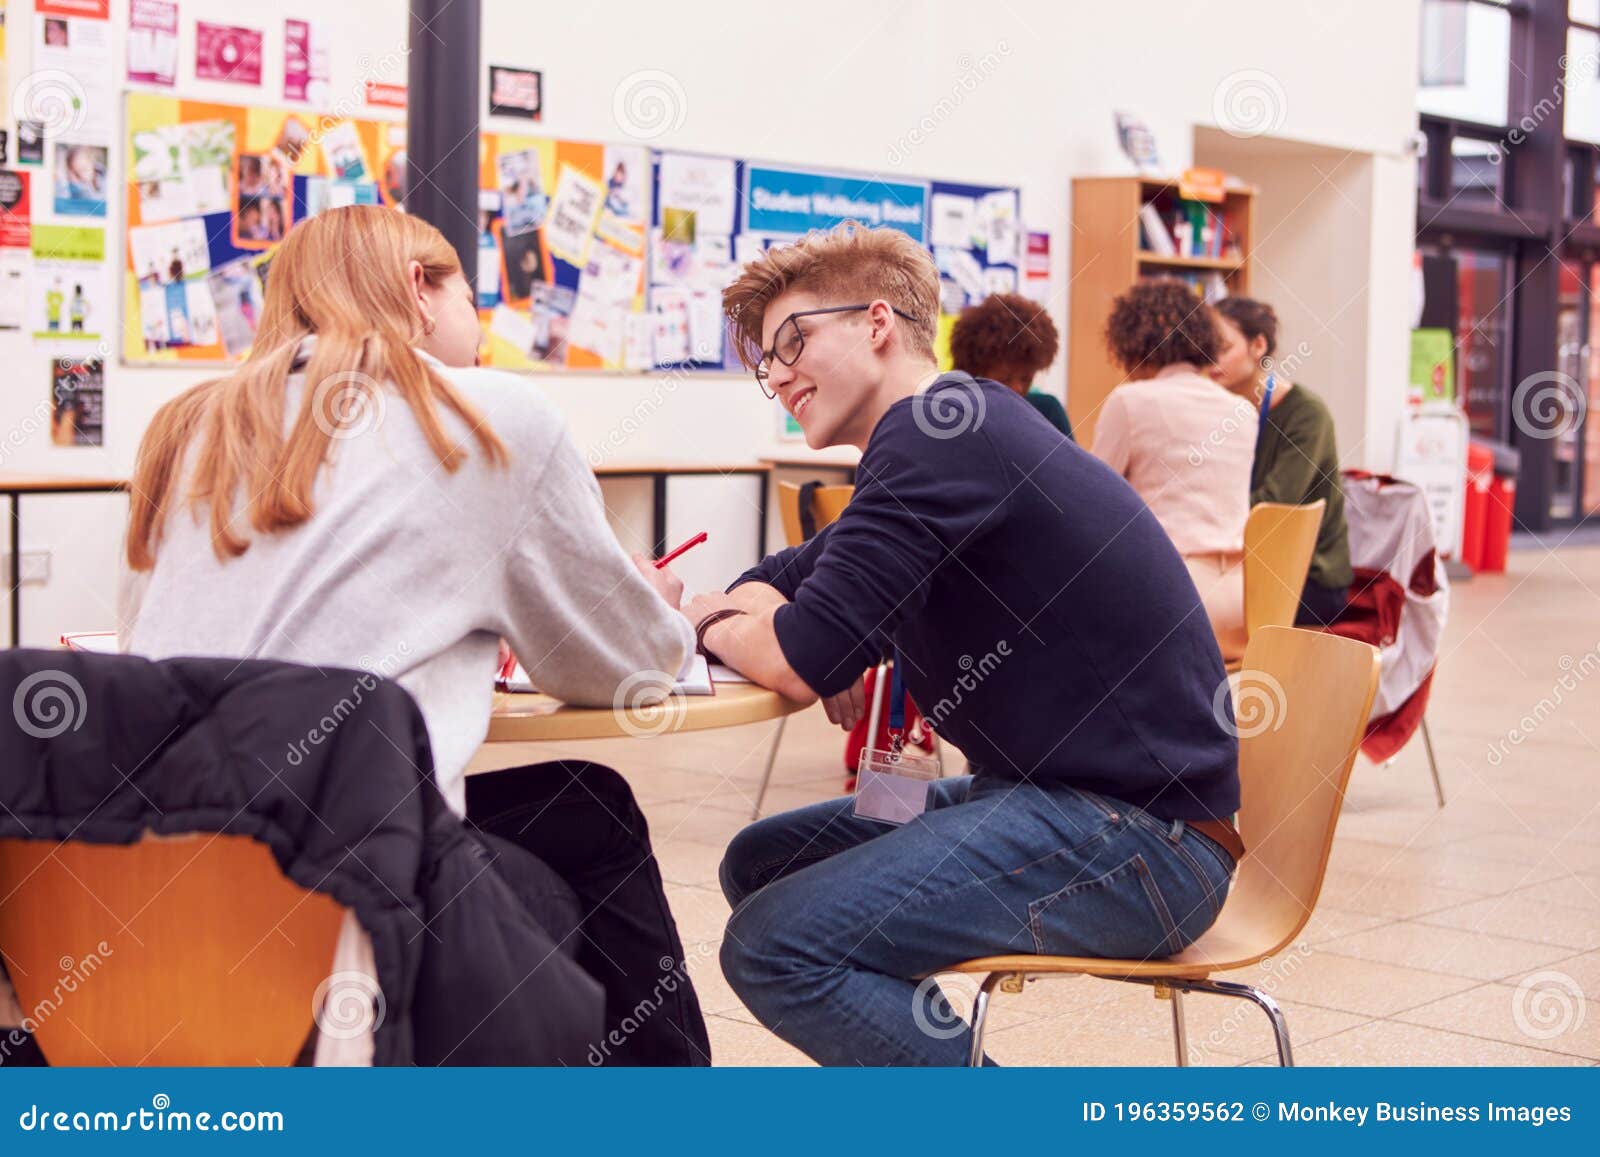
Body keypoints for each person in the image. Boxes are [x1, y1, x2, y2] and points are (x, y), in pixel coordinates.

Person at [119, 205, 710, 1065]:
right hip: (351, 907)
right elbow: (627, 665)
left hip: (144, 886)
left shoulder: (183, 430)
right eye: (472, 300)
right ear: (417, 292)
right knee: (590, 827)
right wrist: (652, 604)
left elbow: (145, 652)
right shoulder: (484, 414)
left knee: (576, 806)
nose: (484, 331)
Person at [674, 222, 1239, 1066]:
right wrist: (761, 615)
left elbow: (800, 659)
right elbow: (784, 578)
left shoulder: (942, 431)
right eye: (766, 359)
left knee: (773, 944)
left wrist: (704, 616)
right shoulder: (942, 433)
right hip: (1038, 796)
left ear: (875, 323)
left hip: (1141, 839)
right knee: (764, 861)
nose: (778, 373)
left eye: (793, 340)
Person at [1090, 278, 1254, 640]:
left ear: (1130, 344)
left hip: (1171, 599)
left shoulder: (1130, 402)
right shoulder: (1242, 410)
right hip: (1247, 603)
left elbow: (1092, 506)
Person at [1212, 296, 1352, 626]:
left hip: (1310, 576)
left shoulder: (1306, 414)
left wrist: (1204, 517)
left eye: (1223, 347)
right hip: (1245, 560)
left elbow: (1273, 508)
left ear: (1257, 345)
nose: (1210, 358)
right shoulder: (1223, 410)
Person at [948, 291, 1072, 438]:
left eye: (1026, 379)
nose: (1018, 388)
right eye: (1005, 379)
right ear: (976, 373)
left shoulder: (1047, 411)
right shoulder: (957, 416)